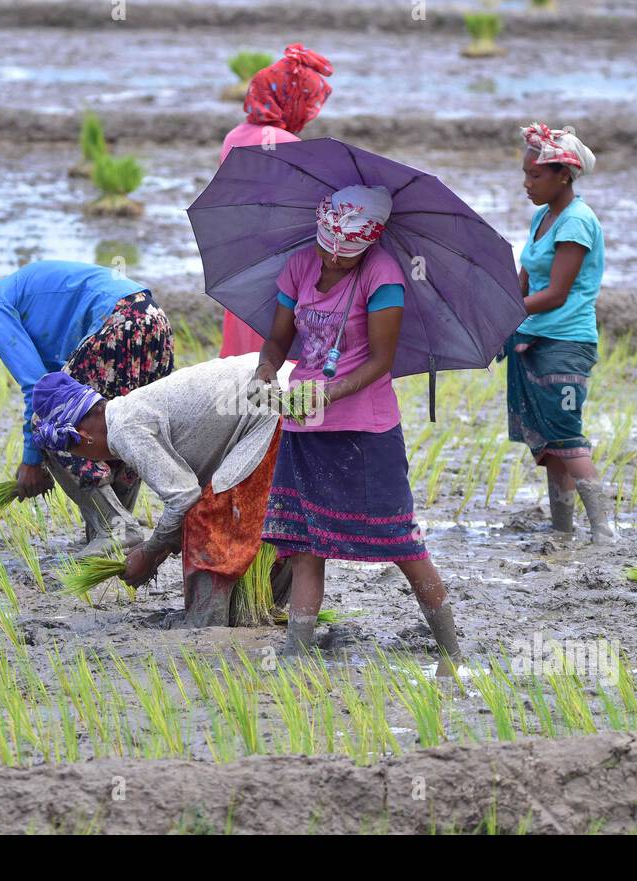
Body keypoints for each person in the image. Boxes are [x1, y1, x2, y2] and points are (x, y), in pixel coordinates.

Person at [251, 185, 463, 675]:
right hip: (304, 423)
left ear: (370, 244)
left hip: (364, 430)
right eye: (328, 246)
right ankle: (295, 653)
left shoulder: (384, 273)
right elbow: (279, 339)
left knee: (401, 543)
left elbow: (381, 362)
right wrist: (264, 371)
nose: (333, 259)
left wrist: (328, 393)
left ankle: (452, 653)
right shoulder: (301, 266)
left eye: (346, 254)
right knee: (304, 544)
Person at [0, 260, 173, 554]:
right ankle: (111, 532)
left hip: (117, 323)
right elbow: (61, 378)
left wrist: (31, 461)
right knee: (123, 424)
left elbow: (39, 390)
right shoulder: (12, 299)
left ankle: (114, 526)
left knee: (51, 423)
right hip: (153, 319)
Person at [30, 355, 294, 626]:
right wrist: (157, 551)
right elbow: (188, 493)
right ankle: (256, 612)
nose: (89, 459)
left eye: (76, 451)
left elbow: (184, 499)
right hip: (284, 387)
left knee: (210, 519)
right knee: (269, 524)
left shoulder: (124, 430)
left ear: (83, 434)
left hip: (272, 406)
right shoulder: (130, 409)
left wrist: (149, 553)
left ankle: (206, 624)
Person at [508, 122, 616, 543]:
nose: (526, 183)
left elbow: (554, 294)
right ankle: (562, 528)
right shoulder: (542, 217)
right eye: (525, 173)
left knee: (568, 437)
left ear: (563, 176)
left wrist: (508, 312)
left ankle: (605, 531)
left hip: (564, 343)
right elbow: (524, 281)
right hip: (535, 340)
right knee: (552, 446)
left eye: (535, 175)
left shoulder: (576, 222)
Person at [217, 43, 333, 359]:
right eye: (308, 105)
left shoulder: (235, 135)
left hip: (242, 261)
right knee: (279, 356)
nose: (309, 115)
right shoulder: (287, 144)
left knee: (243, 356)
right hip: (278, 267)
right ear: (291, 100)